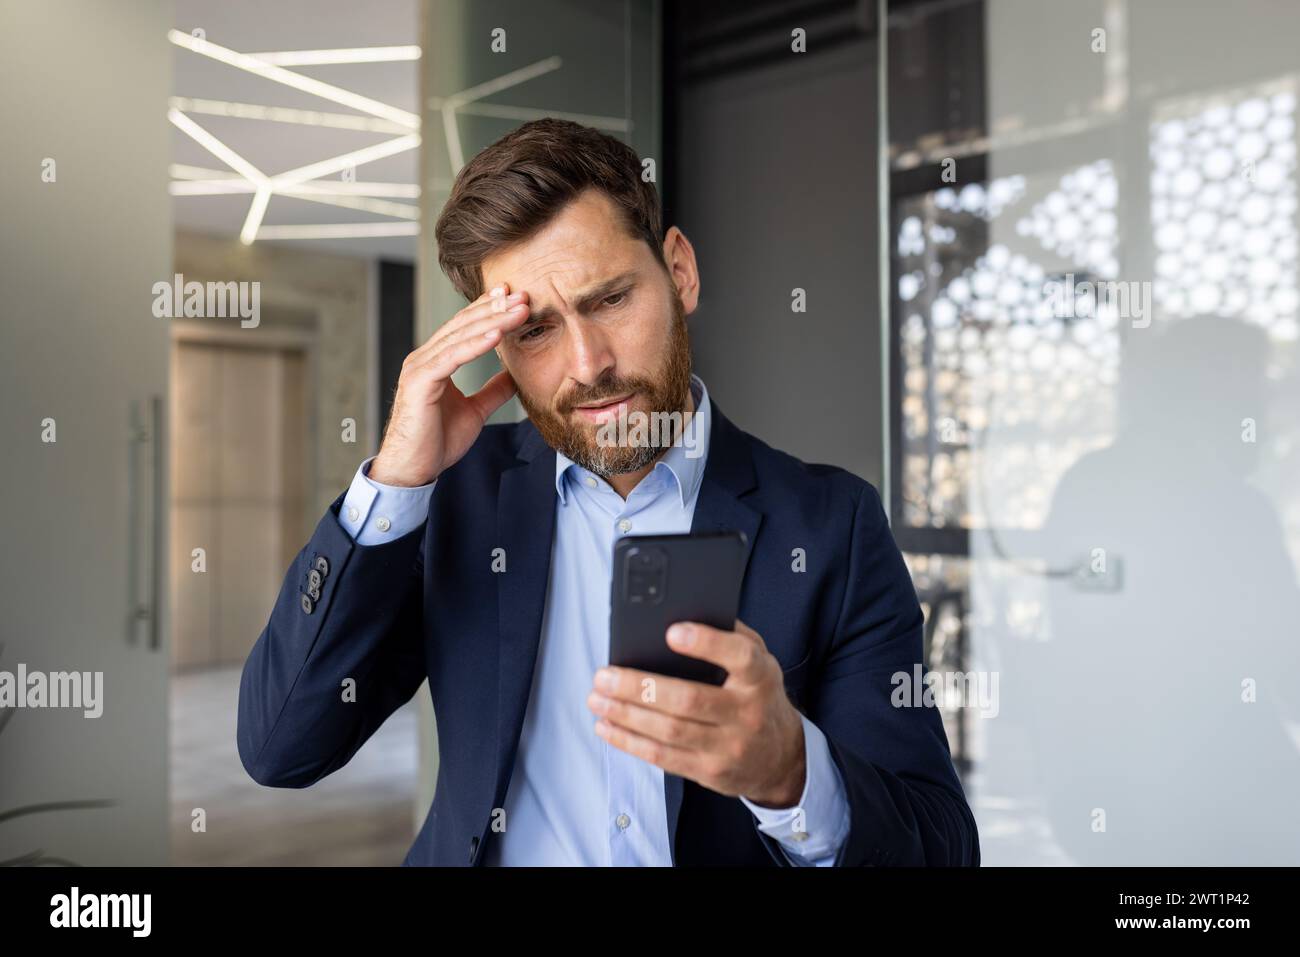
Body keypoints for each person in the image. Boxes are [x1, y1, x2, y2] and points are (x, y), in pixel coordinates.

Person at [236, 118, 979, 867]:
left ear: (679, 271)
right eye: (535, 332)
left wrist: (793, 774)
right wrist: (395, 478)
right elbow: (281, 747)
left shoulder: (831, 527)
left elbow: (941, 846)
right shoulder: (450, 500)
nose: (587, 365)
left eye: (611, 299)